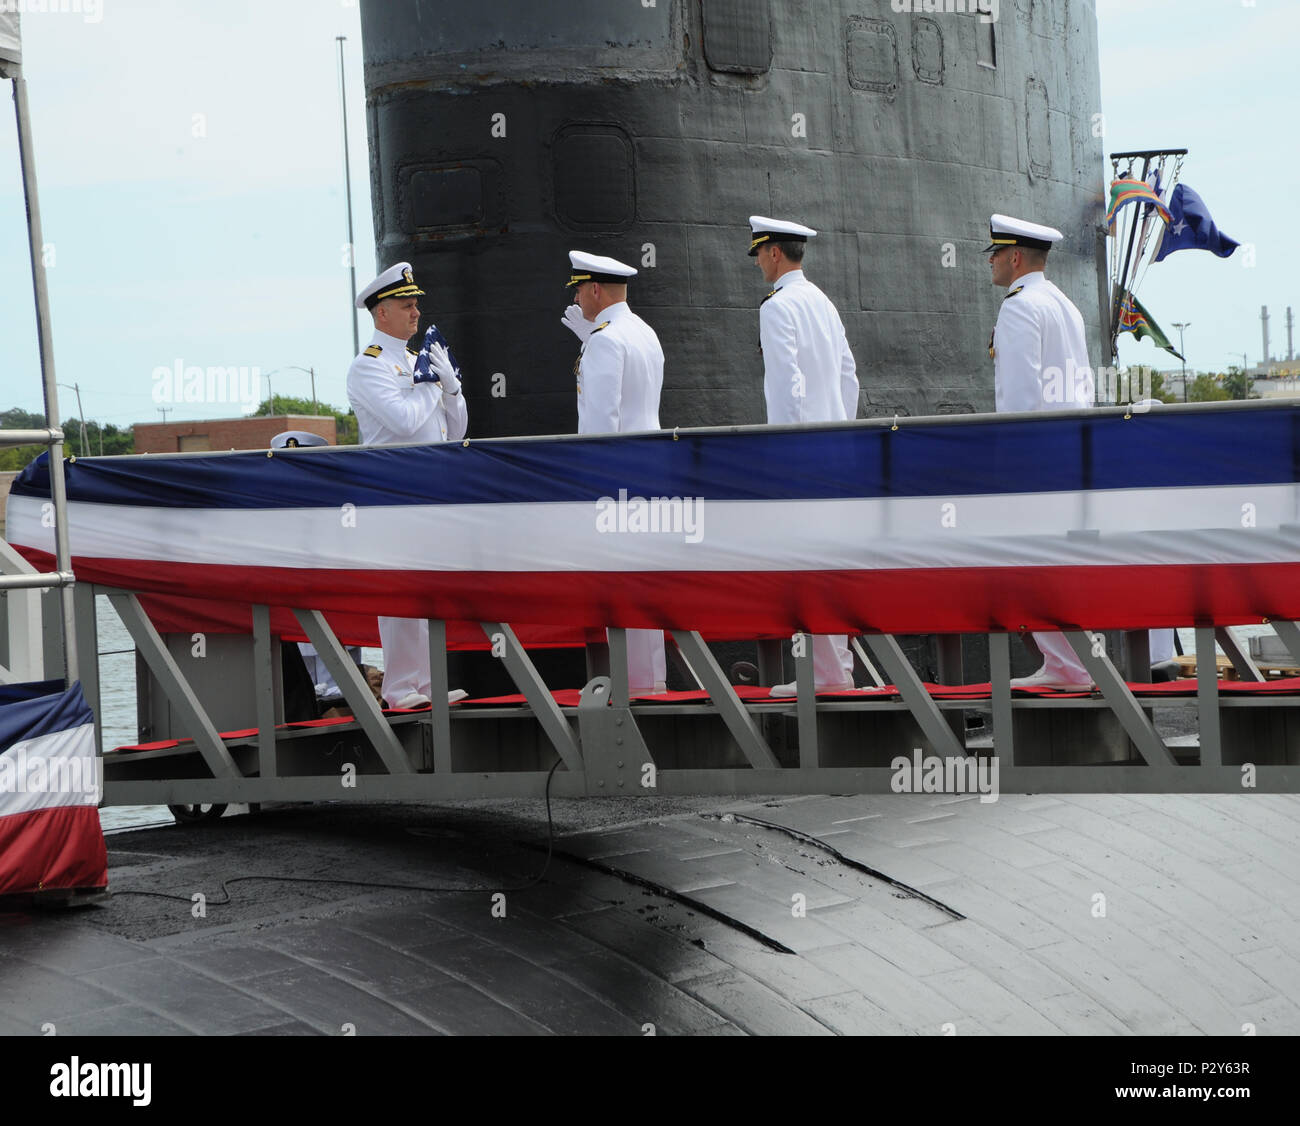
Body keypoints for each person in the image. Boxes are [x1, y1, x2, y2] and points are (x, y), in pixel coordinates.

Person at [345, 261, 469, 710]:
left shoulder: (420, 362)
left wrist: (452, 392)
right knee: (399, 596)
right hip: (392, 495)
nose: (415, 312)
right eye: (406, 304)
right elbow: (402, 422)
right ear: (382, 314)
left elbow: (454, 432)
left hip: (431, 492)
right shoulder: (368, 367)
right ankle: (399, 689)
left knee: (428, 592)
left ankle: (429, 684)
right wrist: (434, 389)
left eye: (416, 304)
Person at [747, 215, 859, 697]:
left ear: (773, 252)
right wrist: (838, 433)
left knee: (805, 568)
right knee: (829, 564)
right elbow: (849, 376)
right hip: (834, 450)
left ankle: (825, 676)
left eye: (758, 253)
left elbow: (785, 388)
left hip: (801, 456)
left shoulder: (777, 307)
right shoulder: (823, 303)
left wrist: (787, 454)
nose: (757, 263)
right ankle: (838, 670)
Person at [985, 213, 1094, 690]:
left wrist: (1012, 464)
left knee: (1035, 563)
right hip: (1071, 450)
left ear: (1013, 257)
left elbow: (1019, 395)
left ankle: (1065, 667)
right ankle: (1076, 663)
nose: (989, 262)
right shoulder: (1065, 305)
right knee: (1063, 564)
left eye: (994, 253)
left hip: (1035, 457)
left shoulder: (1019, 306)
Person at [561, 250, 667, 693]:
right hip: (650, 478)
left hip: (615, 484)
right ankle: (650, 683)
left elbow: (601, 424)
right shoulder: (644, 331)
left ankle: (630, 686)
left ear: (594, 289)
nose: (578, 299)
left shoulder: (604, 339)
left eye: (579, 290)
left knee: (619, 588)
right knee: (644, 586)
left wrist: (592, 491)